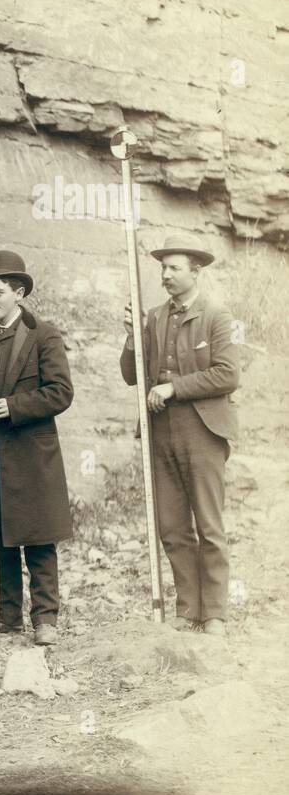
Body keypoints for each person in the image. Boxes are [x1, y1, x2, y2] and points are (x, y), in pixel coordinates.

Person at [121, 237, 239, 635]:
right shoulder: (154, 317)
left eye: (174, 268)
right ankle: (188, 609)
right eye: (162, 268)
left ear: (195, 272)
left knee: (209, 525)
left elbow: (227, 374)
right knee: (172, 527)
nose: (165, 275)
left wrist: (175, 387)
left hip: (203, 430)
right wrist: (132, 338)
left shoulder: (216, 316)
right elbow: (132, 376)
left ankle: (216, 614)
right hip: (161, 431)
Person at [0, 250, 73, 646]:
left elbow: (61, 393)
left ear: (18, 293)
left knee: (38, 537)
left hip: (32, 455)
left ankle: (45, 618)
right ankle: (8, 616)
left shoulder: (44, 334)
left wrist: (14, 406)